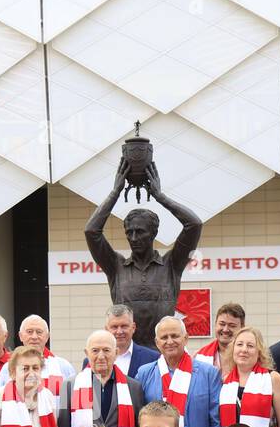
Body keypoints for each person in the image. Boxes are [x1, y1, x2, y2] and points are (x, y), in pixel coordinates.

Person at [84, 161, 203, 348]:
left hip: (164, 354)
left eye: (139, 232)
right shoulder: (116, 266)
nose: (133, 237)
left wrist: (160, 196)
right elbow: (92, 231)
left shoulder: (171, 264)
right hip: (127, 356)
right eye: (129, 232)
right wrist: (116, 192)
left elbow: (194, 224)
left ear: (154, 233)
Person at [133, 316, 222, 427]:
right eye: (164, 337)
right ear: (157, 342)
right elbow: (137, 420)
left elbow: (217, 422)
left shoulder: (209, 373)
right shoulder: (144, 373)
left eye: (175, 336)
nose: (169, 341)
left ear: (186, 338)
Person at [59, 330, 146, 427]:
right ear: (86, 353)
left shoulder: (133, 387)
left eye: (106, 350)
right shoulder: (69, 386)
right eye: (95, 350)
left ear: (116, 352)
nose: (101, 356)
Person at [0, 314, 77, 397]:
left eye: (39, 332)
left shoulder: (64, 367)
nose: (34, 337)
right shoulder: (8, 368)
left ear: (47, 336)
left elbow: (73, 400)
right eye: (29, 332)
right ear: (20, 336)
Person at [104, 304, 159, 376]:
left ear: (133, 327)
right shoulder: (94, 360)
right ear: (106, 329)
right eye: (114, 327)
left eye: (124, 326)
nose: (119, 331)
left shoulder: (152, 358)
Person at [195, 302, 245, 370]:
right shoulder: (198, 356)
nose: (225, 330)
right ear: (215, 324)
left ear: (242, 328)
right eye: (222, 324)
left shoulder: (251, 357)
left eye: (232, 326)